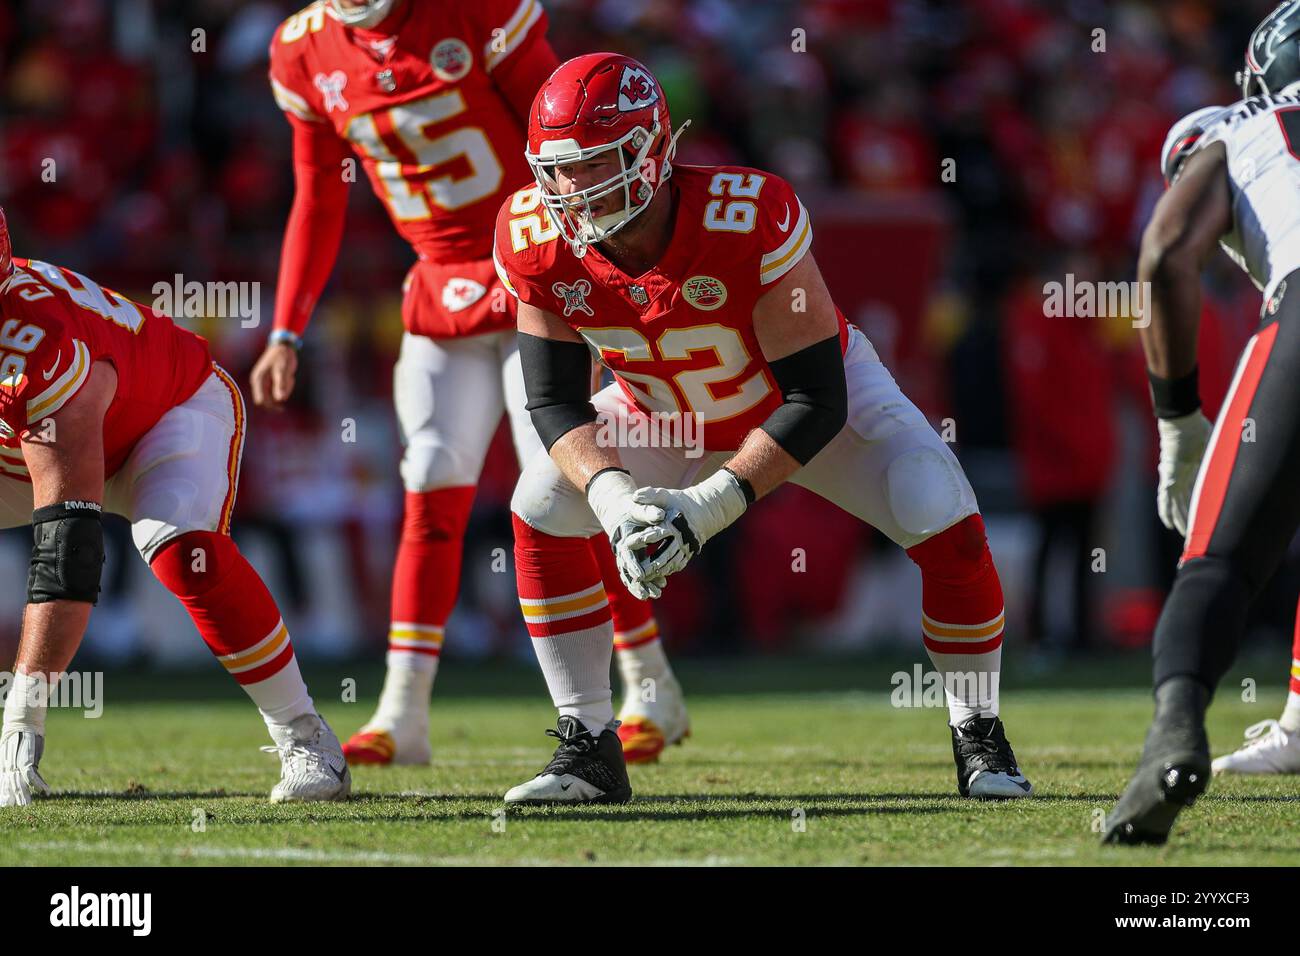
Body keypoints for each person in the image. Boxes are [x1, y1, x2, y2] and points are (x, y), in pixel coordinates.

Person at [493, 52, 1034, 804]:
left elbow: (817, 397)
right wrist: (616, 501)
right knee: (544, 504)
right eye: (557, 169)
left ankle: (979, 733)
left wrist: (708, 509)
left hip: (803, 403)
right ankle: (587, 746)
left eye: (594, 164)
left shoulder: (747, 217)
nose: (571, 190)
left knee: (935, 504)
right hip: (667, 415)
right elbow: (553, 402)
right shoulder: (533, 237)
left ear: (650, 153)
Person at [258, 0, 687, 766]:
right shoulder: (303, 48)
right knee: (428, 485)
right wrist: (287, 327)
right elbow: (318, 195)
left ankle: (648, 685)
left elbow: (569, 149)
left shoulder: (471, 11)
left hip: (532, 272)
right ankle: (403, 712)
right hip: (438, 286)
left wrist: (591, 285)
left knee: (568, 493)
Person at [0, 209, 349, 805]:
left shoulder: (38, 349)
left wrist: (22, 716)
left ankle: (305, 738)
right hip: (36, 440)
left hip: (166, 411)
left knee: (184, 552)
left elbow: (69, 555)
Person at [1105, 0, 1300, 843]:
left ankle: (1174, 727)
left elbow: (1164, 256)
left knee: (1217, 559)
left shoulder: (1242, 130)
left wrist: (1178, 418)